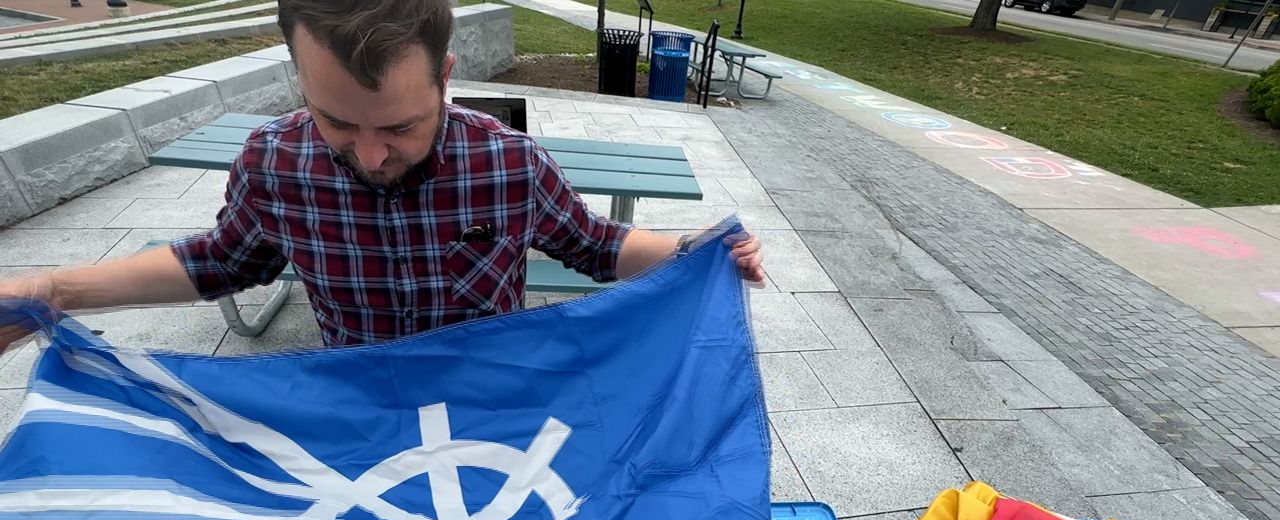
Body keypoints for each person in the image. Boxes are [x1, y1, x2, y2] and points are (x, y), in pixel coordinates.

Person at [0, 0, 763, 352]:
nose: (368, 155)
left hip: (489, 408)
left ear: (445, 78)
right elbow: (222, 261)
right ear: (298, 75)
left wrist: (699, 251)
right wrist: (55, 291)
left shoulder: (509, 162)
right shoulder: (274, 162)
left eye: (399, 125)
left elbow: (595, 246)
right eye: (336, 120)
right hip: (357, 409)